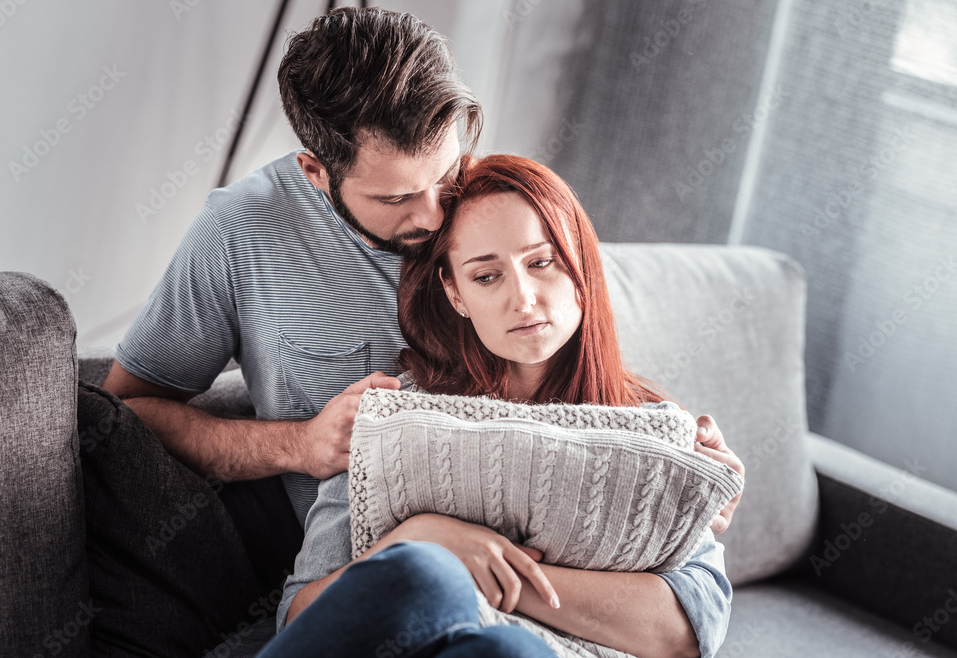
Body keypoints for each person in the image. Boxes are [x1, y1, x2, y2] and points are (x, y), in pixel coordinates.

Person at [102, 8, 741, 544]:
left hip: (539, 530)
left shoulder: (486, 198)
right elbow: (127, 408)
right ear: (315, 171)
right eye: (395, 199)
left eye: (444, 175)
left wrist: (670, 434)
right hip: (375, 555)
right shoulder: (240, 231)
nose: (436, 214)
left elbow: (558, 352)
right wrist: (299, 445)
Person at [251, 155, 735, 658]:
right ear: (455, 293)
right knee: (429, 581)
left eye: (541, 262)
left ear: (580, 267)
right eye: (486, 277)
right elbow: (300, 617)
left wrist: (491, 571)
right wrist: (419, 541)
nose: (522, 299)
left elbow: (689, 627)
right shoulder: (395, 417)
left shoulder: (651, 428)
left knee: (505, 651)